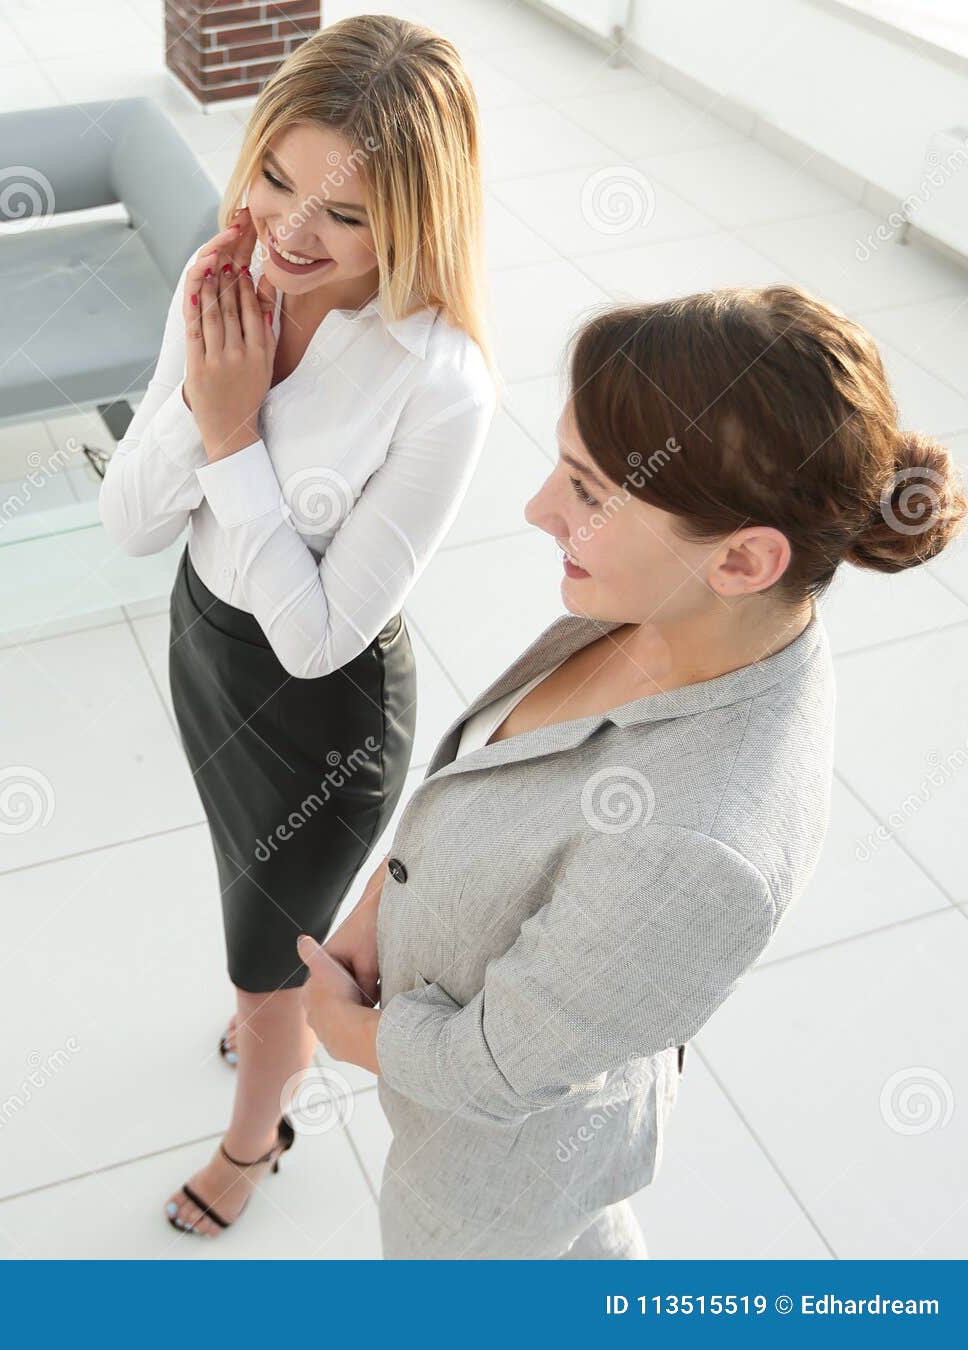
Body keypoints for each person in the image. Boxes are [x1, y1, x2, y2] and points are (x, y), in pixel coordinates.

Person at [299, 284, 968, 1258]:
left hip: (491, 1190)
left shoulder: (700, 847)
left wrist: (343, 1028)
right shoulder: (667, 602)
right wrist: (377, 905)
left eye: (586, 491)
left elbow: (491, 1070)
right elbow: (491, 780)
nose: (536, 509)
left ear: (742, 561)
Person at [97, 15, 497, 1236]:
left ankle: (256, 1134)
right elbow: (130, 524)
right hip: (204, 649)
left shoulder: (439, 383)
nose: (283, 227)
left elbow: (321, 637)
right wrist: (211, 404)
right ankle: (261, 984)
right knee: (251, 906)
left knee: (270, 968)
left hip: (322, 714)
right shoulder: (221, 280)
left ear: (416, 221)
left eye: (340, 213)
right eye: (273, 175)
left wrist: (229, 432)